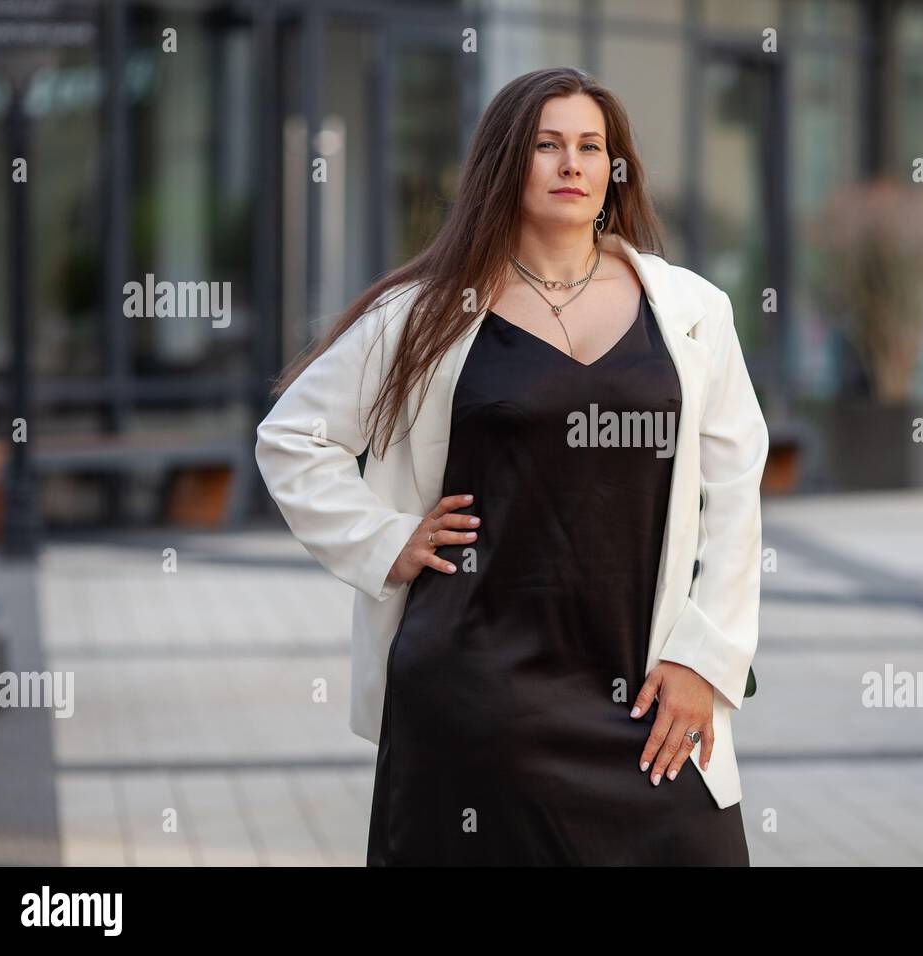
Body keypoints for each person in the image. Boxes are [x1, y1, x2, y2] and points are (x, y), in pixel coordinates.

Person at [255, 66, 768, 865]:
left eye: (591, 146)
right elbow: (292, 436)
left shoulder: (693, 311)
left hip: (647, 694)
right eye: (547, 145)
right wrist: (383, 540)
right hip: (476, 696)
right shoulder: (426, 311)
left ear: (614, 168)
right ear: (504, 165)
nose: (572, 163)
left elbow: (736, 493)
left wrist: (708, 659)